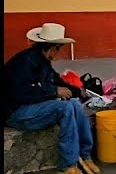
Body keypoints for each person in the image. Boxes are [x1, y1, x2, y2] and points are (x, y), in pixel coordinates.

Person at [2, 24, 100, 174]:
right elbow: (19, 93)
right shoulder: (24, 62)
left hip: (31, 107)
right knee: (65, 108)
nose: (58, 52)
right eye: (58, 48)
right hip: (16, 112)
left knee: (74, 104)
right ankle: (68, 165)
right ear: (51, 47)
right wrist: (54, 91)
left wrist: (77, 91)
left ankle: (85, 155)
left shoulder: (42, 60)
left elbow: (55, 79)